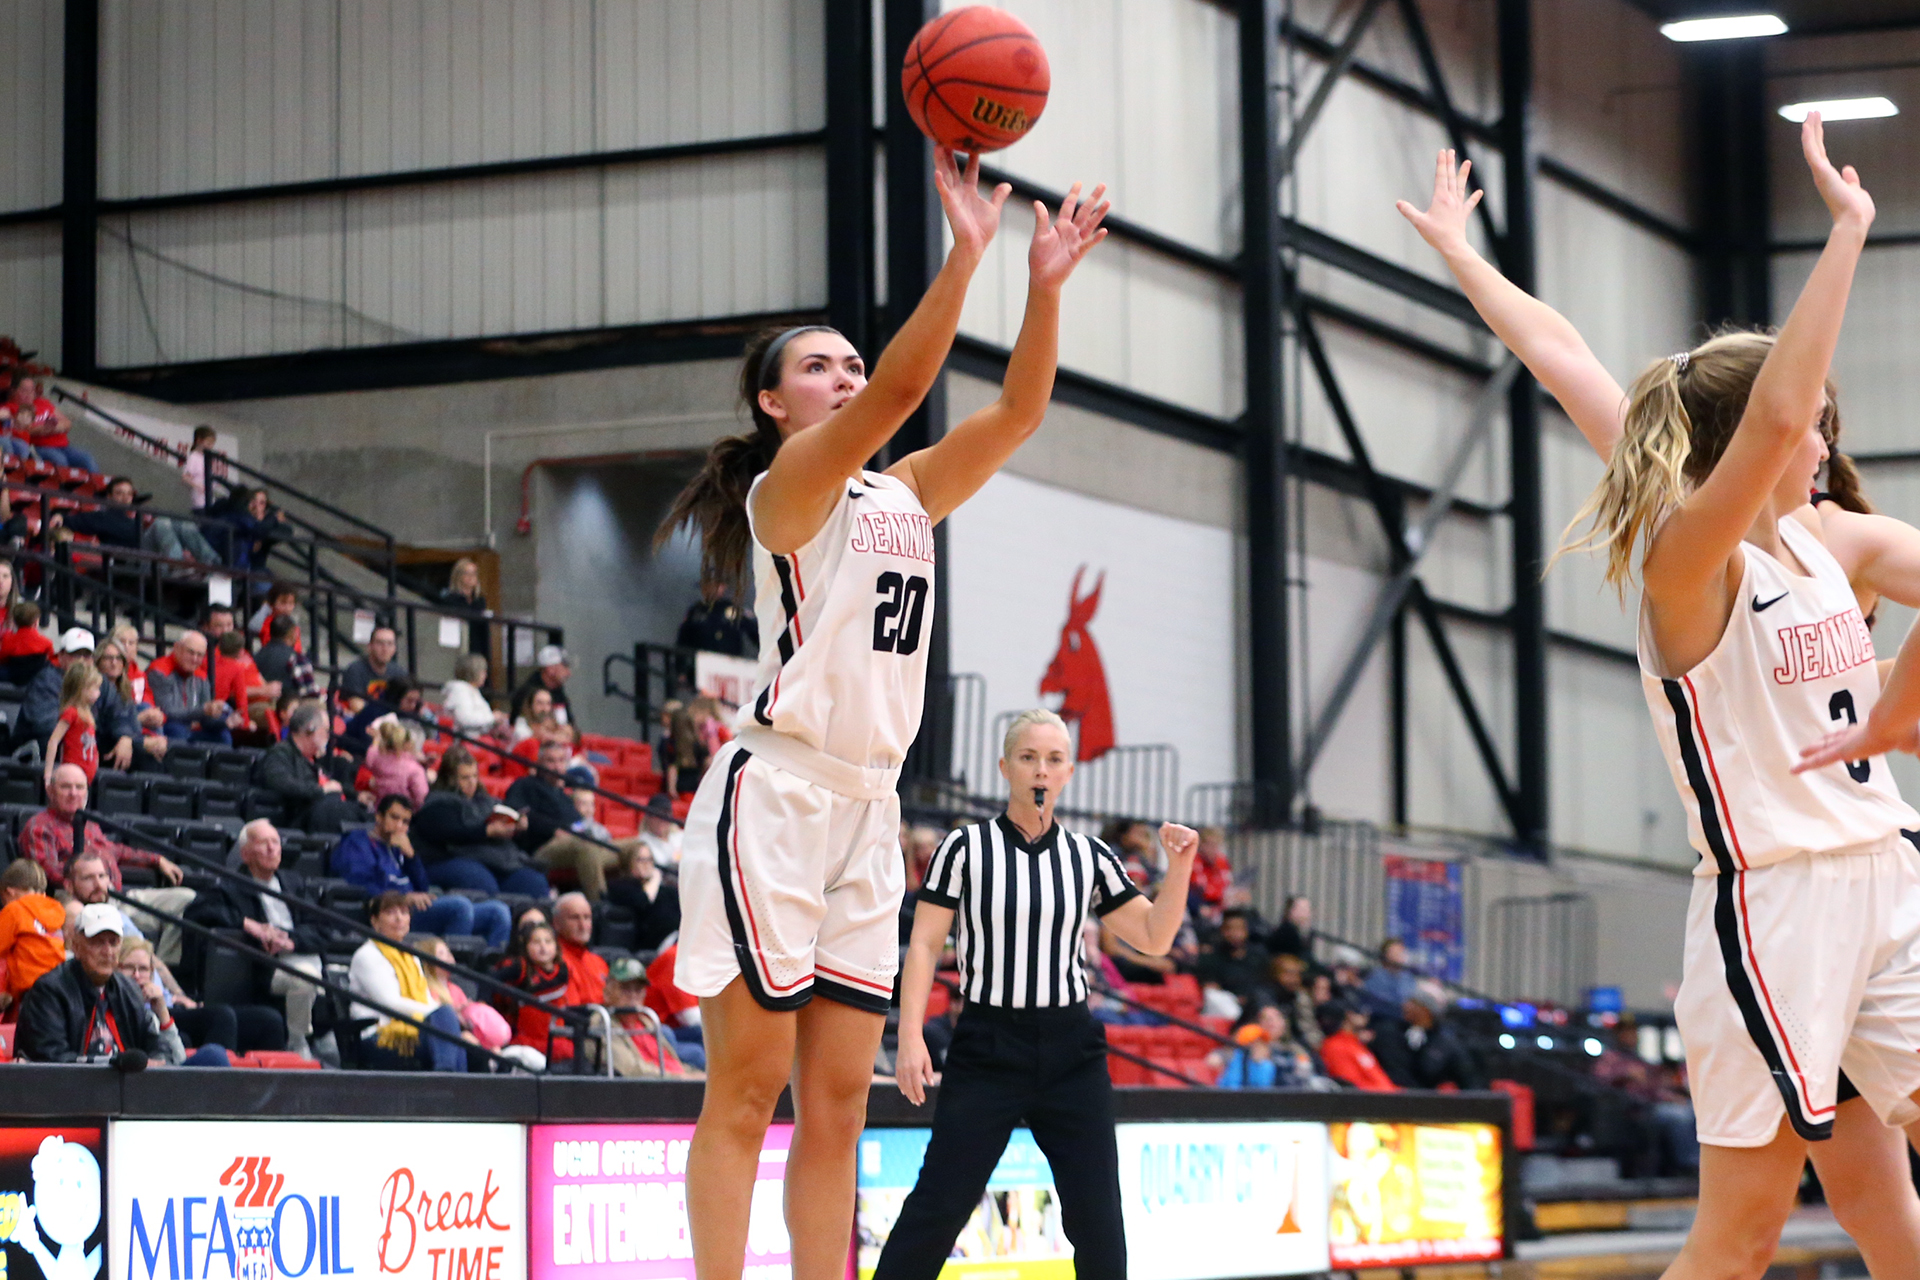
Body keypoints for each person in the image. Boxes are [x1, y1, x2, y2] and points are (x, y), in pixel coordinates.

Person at [1404, 123, 1920, 1276]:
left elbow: (1565, 350)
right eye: (1809, 418)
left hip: (1885, 873)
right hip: (1775, 910)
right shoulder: (1691, 557)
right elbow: (1774, 414)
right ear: (1746, 441)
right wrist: (1848, 231)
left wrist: (1463, 253)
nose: (1823, 434)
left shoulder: (1823, 541)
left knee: (1894, 1219)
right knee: (1737, 1233)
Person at [658, 150, 1109, 1280]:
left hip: (868, 807)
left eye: (854, 361)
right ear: (774, 402)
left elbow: (1017, 412)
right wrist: (967, 255)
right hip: (776, 792)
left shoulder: (901, 491)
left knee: (842, 1101)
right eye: (822, 366)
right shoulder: (786, 490)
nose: (850, 376)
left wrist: (1042, 286)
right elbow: (910, 391)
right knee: (748, 1087)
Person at [882, 709, 1188, 1280]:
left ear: (1068, 772)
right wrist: (911, 1036)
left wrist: (1180, 869)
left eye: (1052, 760)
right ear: (1005, 768)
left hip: (1072, 1050)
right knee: (939, 1206)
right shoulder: (964, 848)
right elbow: (923, 946)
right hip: (988, 1045)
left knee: (1099, 1221)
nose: (1040, 770)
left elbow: (1154, 936)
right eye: (1028, 758)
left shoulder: (1091, 856)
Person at [182, 820, 330, 1057]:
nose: (273, 849)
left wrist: (290, 940)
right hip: (266, 967)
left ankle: (317, 1033)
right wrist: (245, 922)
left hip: (299, 953)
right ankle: (298, 1040)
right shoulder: (231, 885)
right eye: (263, 843)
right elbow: (196, 912)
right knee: (306, 977)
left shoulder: (293, 882)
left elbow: (322, 928)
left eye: (276, 842)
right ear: (245, 854)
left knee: (309, 971)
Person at [21, 765, 193, 961]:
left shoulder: (90, 824)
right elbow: (46, 871)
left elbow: (116, 851)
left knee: (185, 899)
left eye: (79, 787)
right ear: (51, 791)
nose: (73, 793)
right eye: (66, 787)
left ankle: (161, 967)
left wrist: (157, 859)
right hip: (77, 900)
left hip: (116, 897)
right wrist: (90, 878)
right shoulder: (40, 825)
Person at [15, 904, 222, 1064]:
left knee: (214, 1056)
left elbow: (161, 1049)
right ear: (76, 947)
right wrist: (115, 1066)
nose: (108, 951)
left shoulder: (128, 989)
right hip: (80, 1096)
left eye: (113, 942)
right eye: (97, 942)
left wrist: (155, 1061)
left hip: (132, 1089)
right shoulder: (49, 991)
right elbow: (52, 1062)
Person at [330, 796, 511, 949]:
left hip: (414, 909)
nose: (400, 825)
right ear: (378, 817)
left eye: (405, 821)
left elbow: (422, 887)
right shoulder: (358, 842)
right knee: (459, 907)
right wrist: (401, 898)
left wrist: (411, 856)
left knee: (498, 912)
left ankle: (488, 977)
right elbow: (359, 884)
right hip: (390, 912)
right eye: (394, 818)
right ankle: (450, 978)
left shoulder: (399, 847)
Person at [347, 892, 469, 1072]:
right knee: (447, 1027)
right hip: (379, 1035)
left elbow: (427, 999)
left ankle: (449, 1083)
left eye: (404, 912)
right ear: (374, 921)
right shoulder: (367, 955)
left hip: (412, 1029)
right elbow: (390, 1003)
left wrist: (440, 1015)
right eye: (390, 913)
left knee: (460, 1040)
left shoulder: (411, 957)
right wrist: (438, 1013)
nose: (399, 918)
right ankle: (448, 1083)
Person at [413, 745, 551, 898]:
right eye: (465, 778)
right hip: (448, 858)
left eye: (474, 776)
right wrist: (487, 831)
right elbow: (449, 832)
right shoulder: (437, 803)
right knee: (481, 881)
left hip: (490, 856)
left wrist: (516, 827)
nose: (472, 782)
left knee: (533, 881)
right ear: (450, 778)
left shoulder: (486, 801)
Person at [506, 739, 623, 902]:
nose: (557, 766)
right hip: (541, 848)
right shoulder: (524, 785)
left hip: (573, 842)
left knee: (635, 848)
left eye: (561, 761)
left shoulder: (565, 796)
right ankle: (600, 908)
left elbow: (578, 823)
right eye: (550, 761)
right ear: (539, 763)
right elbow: (515, 814)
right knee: (587, 845)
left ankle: (628, 906)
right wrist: (553, 830)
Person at [252, 701, 368, 833]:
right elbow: (281, 783)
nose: (328, 735)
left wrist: (357, 795)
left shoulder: (309, 760)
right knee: (335, 810)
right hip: (294, 819)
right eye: (325, 730)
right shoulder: (280, 753)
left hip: (317, 814)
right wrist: (321, 790)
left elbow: (332, 784)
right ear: (310, 729)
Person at [115, 937, 232, 1065]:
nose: (136, 975)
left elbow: (177, 1060)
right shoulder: (107, 1006)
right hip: (122, 1080)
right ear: (115, 970)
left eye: (143, 969)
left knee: (214, 1054)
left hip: (153, 1079)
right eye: (128, 967)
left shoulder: (149, 1015)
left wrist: (163, 1012)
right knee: (214, 1054)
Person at [59, 476, 222, 563]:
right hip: (128, 558)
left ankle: (212, 562)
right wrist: (59, 516)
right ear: (108, 497)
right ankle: (176, 562)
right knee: (161, 523)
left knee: (183, 524)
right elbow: (71, 521)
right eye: (119, 493)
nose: (125, 498)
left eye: (129, 494)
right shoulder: (101, 516)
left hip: (149, 552)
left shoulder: (135, 516)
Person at [147, 630, 242, 744]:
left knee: (223, 735)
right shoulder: (159, 671)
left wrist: (225, 722)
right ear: (177, 648)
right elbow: (167, 712)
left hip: (191, 729)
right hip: (165, 728)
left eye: (200, 655)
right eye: (190, 652)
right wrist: (203, 711)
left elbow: (207, 719)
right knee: (177, 730)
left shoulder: (201, 676)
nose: (195, 659)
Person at [498, 918, 570, 1065]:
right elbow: (490, 980)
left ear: (557, 946)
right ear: (526, 946)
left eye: (548, 942)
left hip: (556, 1038)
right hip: (527, 1040)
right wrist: (482, 1000)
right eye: (536, 942)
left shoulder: (563, 970)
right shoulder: (520, 968)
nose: (543, 946)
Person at [0, 859, 66, 1013]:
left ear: (9, 892)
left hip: (31, 988)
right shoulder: (55, 910)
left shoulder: (15, 909)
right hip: (59, 983)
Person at [92, 639, 168, 772]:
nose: (114, 662)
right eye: (108, 658)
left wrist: (152, 741)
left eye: (118, 658)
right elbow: (104, 728)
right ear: (97, 662)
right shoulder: (92, 690)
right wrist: (139, 742)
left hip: (124, 744)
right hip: (100, 745)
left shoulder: (126, 694)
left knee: (160, 754)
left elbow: (133, 731)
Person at [17, 627, 93, 750]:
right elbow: (43, 724)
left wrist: (125, 737)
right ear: (61, 655)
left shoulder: (98, 682)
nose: (81, 660)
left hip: (78, 741)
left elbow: (119, 713)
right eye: (75, 654)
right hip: (39, 746)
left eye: (87, 656)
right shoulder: (45, 680)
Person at [605, 837, 681, 952]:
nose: (646, 864)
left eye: (649, 859)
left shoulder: (666, 890)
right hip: (652, 944)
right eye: (640, 860)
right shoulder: (621, 886)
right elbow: (643, 901)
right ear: (629, 861)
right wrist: (655, 878)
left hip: (678, 938)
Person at [10, 376, 95, 472]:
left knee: (87, 458)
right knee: (60, 460)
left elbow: (67, 423)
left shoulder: (43, 402)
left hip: (63, 446)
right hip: (40, 447)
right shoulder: (14, 408)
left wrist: (53, 428)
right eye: (25, 391)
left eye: (31, 391)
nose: (29, 394)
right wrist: (45, 429)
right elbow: (24, 430)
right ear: (14, 391)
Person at [1195, 908, 1273, 1011]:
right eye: (1229, 929)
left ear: (1246, 931)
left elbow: (1266, 984)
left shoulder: (1258, 956)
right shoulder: (1211, 958)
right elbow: (1211, 989)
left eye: (1239, 929)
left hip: (1256, 1005)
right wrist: (1234, 999)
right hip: (1227, 1007)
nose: (1235, 934)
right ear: (1222, 930)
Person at [43, 658, 101, 787]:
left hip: (87, 775)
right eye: (95, 688)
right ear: (82, 689)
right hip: (73, 773)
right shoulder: (71, 712)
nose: (99, 693)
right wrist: (48, 774)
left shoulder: (89, 714)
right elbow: (54, 741)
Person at [1317, 1002, 1397, 1092]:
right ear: (1349, 1015)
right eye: (1359, 1012)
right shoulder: (1334, 1046)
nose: (1366, 1015)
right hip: (1370, 1101)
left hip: (1387, 1097)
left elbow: (1381, 1081)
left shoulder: (1356, 1044)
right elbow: (1350, 1086)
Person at [677, 578, 757, 657]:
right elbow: (683, 640)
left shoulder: (734, 610)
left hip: (730, 663)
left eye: (717, 585)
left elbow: (756, 634)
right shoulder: (695, 611)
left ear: (724, 586)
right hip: (702, 662)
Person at [335, 626, 408, 710]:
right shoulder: (355, 670)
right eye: (380, 643)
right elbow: (357, 707)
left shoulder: (398, 672)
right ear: (370, 646)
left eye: (390, 644)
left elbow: (408, 702)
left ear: (395, 648)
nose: (385, 649)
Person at [437, 557, 493, 665]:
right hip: (461, 648)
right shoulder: (451, 600)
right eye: (467, 573)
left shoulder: (479, 601)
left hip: (479, 648)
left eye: (474, 573)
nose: (471, 577)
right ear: (459, 576)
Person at [367, 718, 429, 808]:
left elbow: (372, 755)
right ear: (409, 744)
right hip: (403, 816)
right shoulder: (415, 770)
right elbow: (422, 800)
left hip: (378, 810)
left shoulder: (377, 757)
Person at [254, 613, 317, 699]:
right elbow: (310, 692)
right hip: (289, 707)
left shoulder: (256, 657)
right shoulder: (296, 659)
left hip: (261, 706)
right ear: (292, 633)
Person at [510, 645, 574, 726]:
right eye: (564, 666)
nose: (569, 673)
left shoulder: (558, 692)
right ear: (550, 669)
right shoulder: (528, 693)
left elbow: (570, 724)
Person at [440, 654, 502, 736]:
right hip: (467, 741)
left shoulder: (473, 690)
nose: (486, 676)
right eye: (483, 672)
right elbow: (465, 719)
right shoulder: (460, 690)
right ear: (473, 672)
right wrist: (492, 717)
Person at [1272, 952, 1322, 1052]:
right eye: (1288, 974)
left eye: (1297, 974)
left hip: (1300, 1044)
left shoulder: (1301, 997)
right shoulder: (1268, 996)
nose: (1294, 979)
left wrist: (1317, 1044)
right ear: (1276, 974)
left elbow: (1309, 1026)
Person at [1360, 938, 1419, 1017]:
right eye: (1395, 952)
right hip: (1384, 1019)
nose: (1400, 954)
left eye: (1401, 951)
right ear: (1385, 955)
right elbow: (1381, 1001)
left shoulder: (1407, 977)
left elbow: (1412, 996)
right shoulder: (1376, 976)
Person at [181, 425, 220, 510]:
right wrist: (199, 487)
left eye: (212, 444)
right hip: (199, 501)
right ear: (199, 440)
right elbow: (185, 478)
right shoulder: (193, 457)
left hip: (208, 498)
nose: (210, 446)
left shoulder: (205, 458)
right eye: (208, 443)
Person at [1268, 894, 1313, 961]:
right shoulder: (1287, 933)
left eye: (1308, 909)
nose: (1307, 913)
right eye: (1303, 909)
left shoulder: (1295, 931)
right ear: (1291, 911)